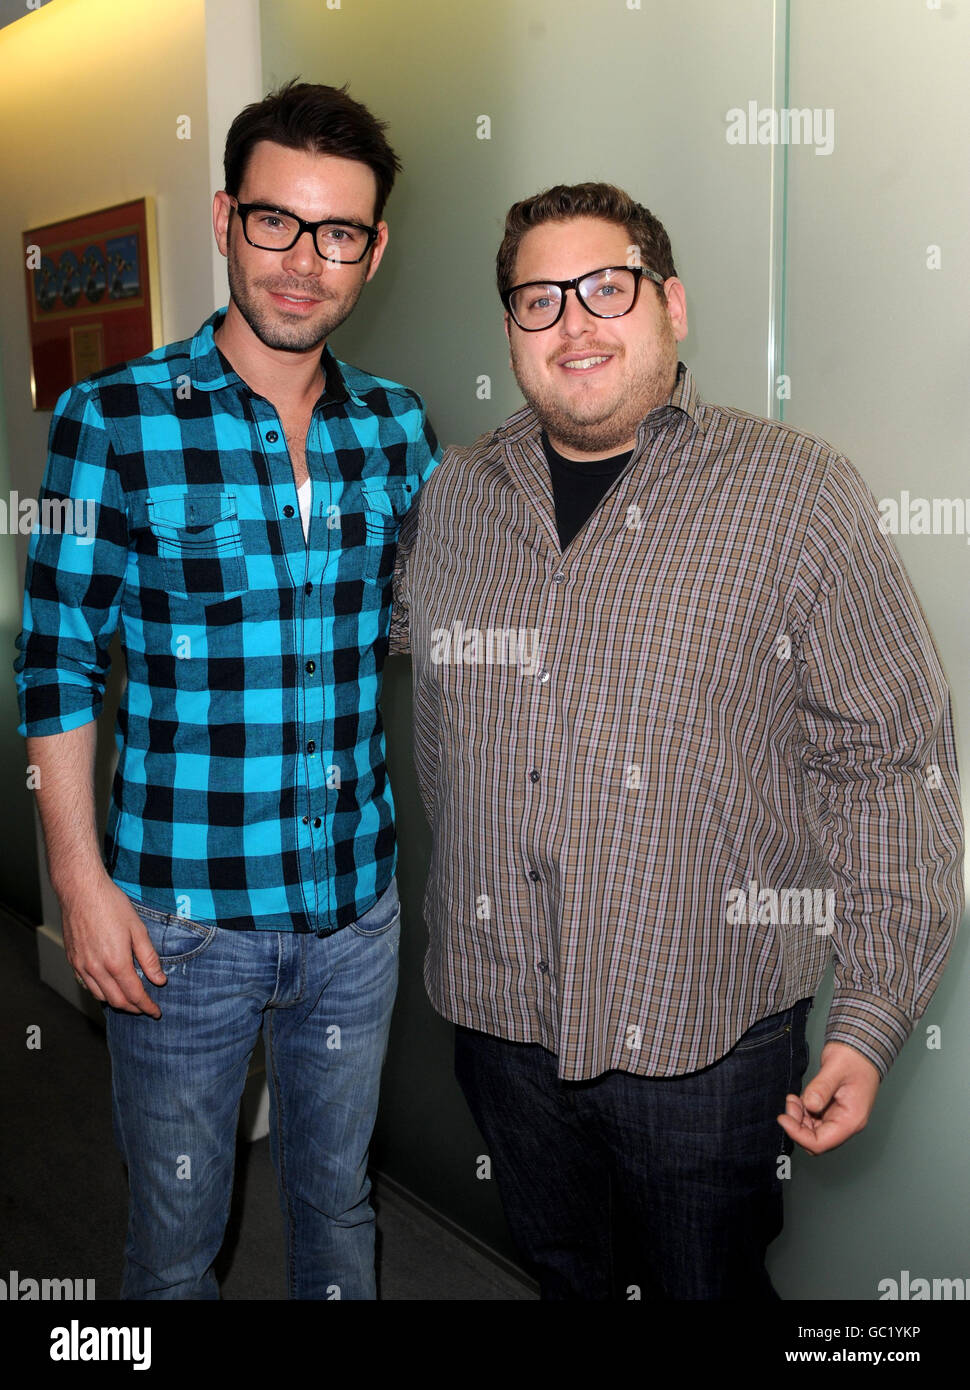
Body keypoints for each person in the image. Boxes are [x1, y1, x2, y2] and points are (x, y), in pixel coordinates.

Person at [389, 182, 964, 1300]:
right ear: (509, 328)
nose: (575, 322)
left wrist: (873, 1012)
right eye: (538, 299)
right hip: (498, 1017)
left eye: (607, 286)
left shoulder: (798, 495)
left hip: (709, 1041)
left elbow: (891, 764)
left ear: (672, 304)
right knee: (565, 1275)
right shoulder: (455, 497)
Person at [14, 80, 440, 1300]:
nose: (304, 263)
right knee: (174, 1247)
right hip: (178, 926)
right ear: (224, 217)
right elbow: (54, 656)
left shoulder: (396, 429)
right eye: (275, 222)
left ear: (374, 251)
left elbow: (431, 618)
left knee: (339, 1208)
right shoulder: (110, 419)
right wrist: (78, 883)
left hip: (353, 910)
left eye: (339, 232)